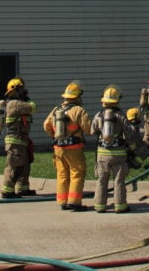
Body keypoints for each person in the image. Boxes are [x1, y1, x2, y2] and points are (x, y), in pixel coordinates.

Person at [91, 85, 145, 213]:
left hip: (102, 154)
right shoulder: (121, 115)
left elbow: (92, 131)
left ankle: (99, 206)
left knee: (101, 180)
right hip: (119, 154)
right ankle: (120, 206)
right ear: (117, 100)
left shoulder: (99, 115)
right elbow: (130, 135)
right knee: (119, 181)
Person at [43, 81, 92, 211]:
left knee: (62, 174)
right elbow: (88, 129)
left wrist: (53, 135)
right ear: (78, 97)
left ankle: (63, 201)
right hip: (74, 148)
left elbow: (46, 125)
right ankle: (74, 202)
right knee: (77, 172)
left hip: (58, 148)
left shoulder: (56, 110)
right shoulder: (78, 110)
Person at [0, 77, 37, 199]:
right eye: (22, 89)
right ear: (15, 90)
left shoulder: (16, 103)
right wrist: (28, 100)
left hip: (21, 140)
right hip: (16, 141)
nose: (24, 91)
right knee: (14, 165)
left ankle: (22, 188)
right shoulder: (15, 104)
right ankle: (7, 190)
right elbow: (33, 107)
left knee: (24, 165)